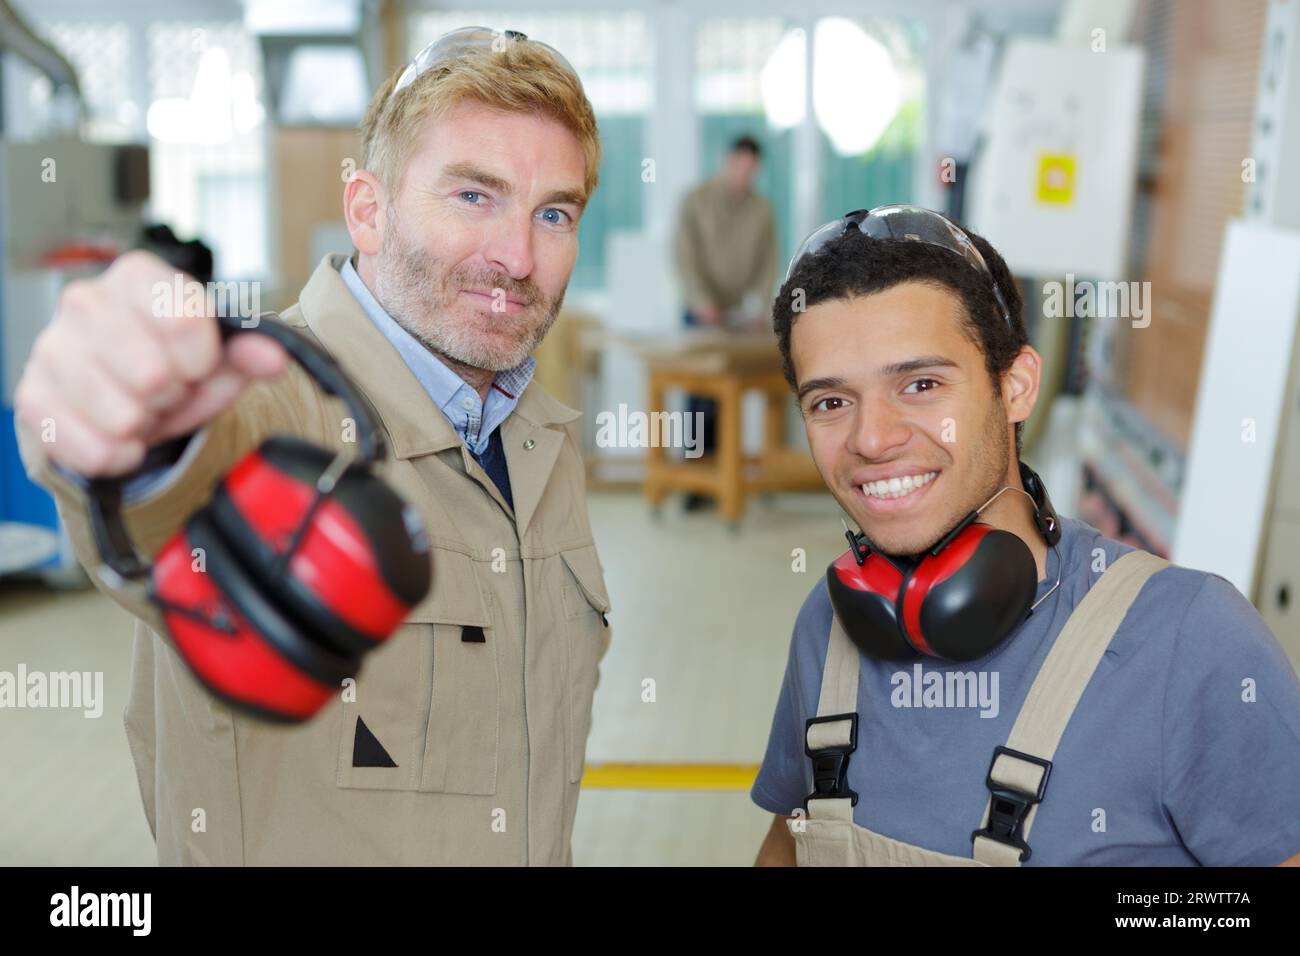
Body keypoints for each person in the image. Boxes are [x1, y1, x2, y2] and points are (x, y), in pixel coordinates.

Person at [14, 27, 613, 866]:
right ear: (368, 211)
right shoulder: (269, 408)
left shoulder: (543, 436)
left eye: (554, 212)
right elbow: (173, 485)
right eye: (473, 196)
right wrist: (125, 418)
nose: (518, 256)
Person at [751, 204, 1300, 866]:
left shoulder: (1191, 640)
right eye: (831, 402)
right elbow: (792, 840)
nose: (872, 439)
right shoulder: (831, 626)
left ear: (1015, 386)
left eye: (921, 384)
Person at [672, 134, 777, 508]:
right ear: (726, 161)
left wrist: (761, 307)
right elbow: (684, 256)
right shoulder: (696, 201)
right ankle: (697, 483)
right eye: (739, 166)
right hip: (700, 313)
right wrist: (702, 302)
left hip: (738, 318)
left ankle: (732, 476)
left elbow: (768, 263)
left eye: (751, 170)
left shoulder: (762, 209)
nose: (743, 175)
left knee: (732, 395)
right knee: (700, 397)